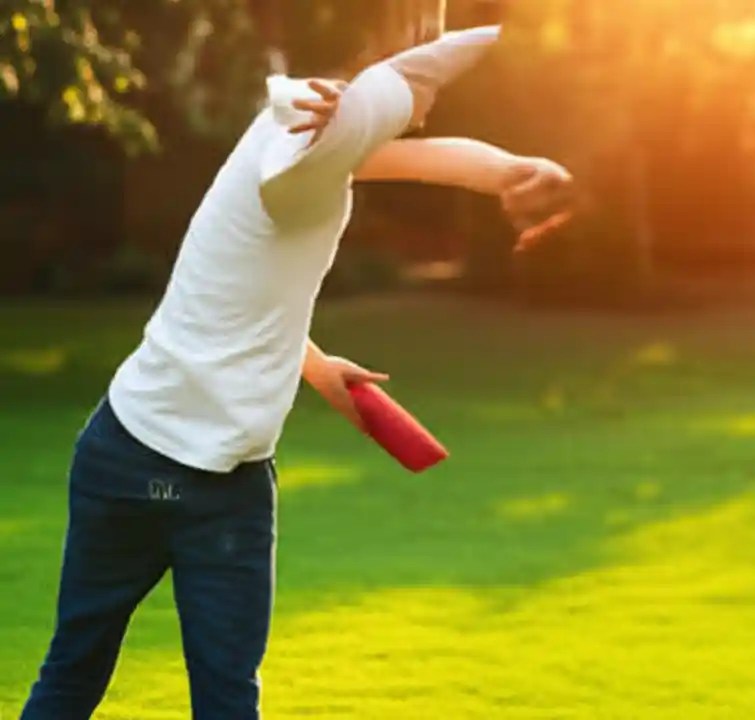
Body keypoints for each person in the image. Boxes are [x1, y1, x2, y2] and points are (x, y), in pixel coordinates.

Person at [20, 24, 573, 720]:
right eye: (408, 101)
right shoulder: (298, 164)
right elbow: (395, 121)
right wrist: (493, 33)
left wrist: (508, 170)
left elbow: (423, 160)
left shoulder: (292, 140)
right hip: (170, 475)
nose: (419, 117)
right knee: (108, 679)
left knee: (131, 684)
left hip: (159, 460)